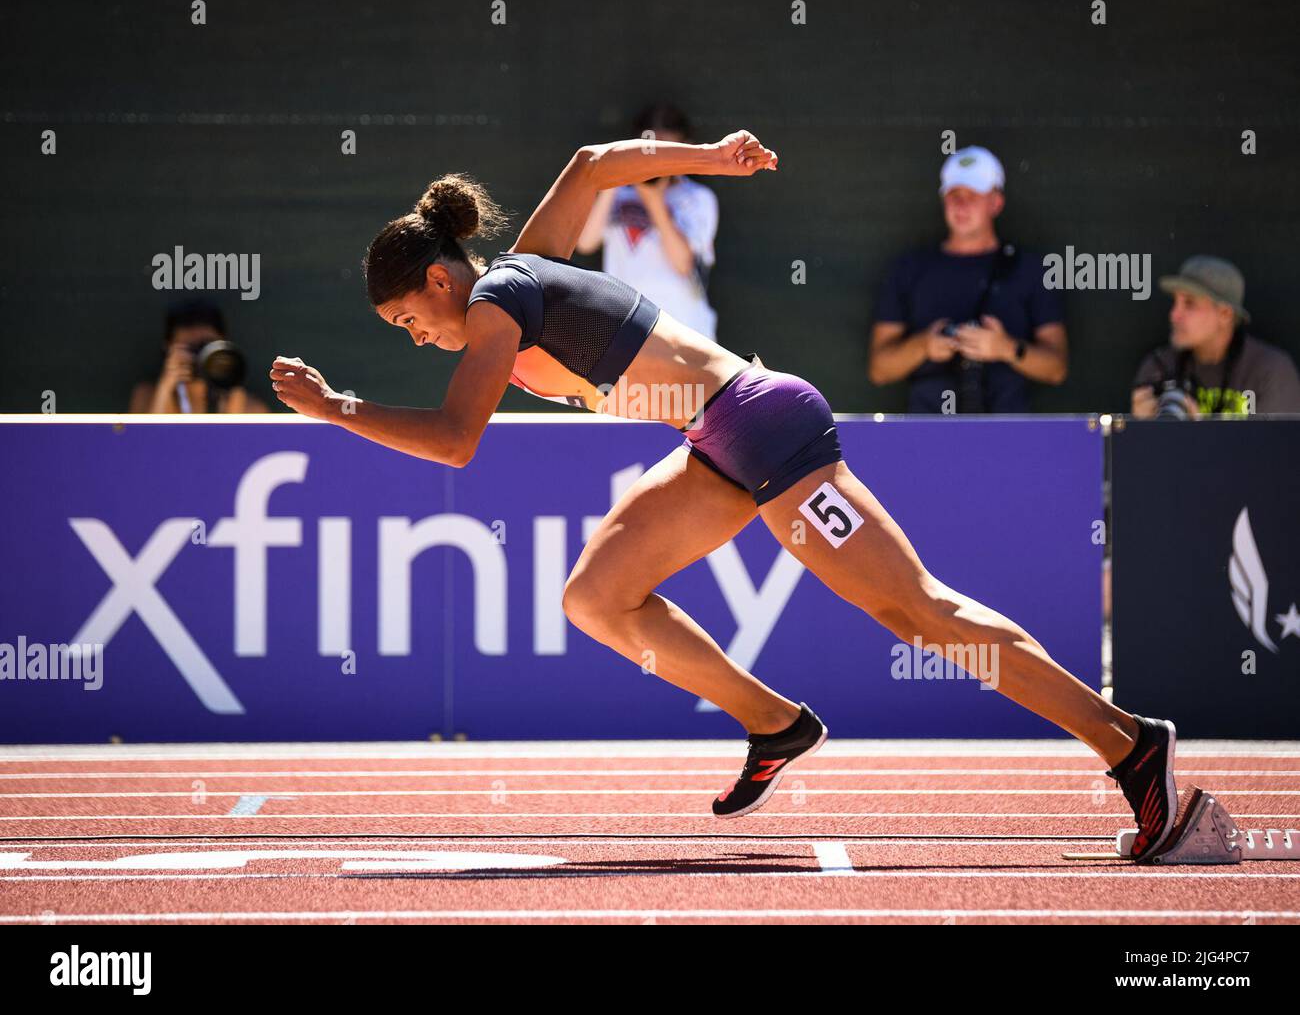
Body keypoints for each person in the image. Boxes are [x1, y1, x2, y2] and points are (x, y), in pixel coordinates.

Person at [270, 130, 1177, 859]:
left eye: (408, 321)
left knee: (919, 613)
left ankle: (1127, 742)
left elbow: (457, 442)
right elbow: (591, 165)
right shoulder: (522, 272)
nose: (418, 337)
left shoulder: (496, 306)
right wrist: (710, 158)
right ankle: (774, 723)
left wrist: (335, 408)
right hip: (712, 443)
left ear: (439, 280)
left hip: (764, 423)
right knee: (595, 597)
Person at [869, 146, 1068, 412]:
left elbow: (1056, 368)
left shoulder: (1029, 269)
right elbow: (879, 369)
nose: (961, 205)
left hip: (1008, 432)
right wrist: (925, 345)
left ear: (996, 202)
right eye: (954, 195)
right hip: (928, 431)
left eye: (972, 195)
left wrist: (1004, 348)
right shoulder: (909, 268)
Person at [575, 103, 720, 339]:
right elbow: (586, 243)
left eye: (669, 153)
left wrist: (654, 200)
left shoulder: (698, 198)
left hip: (685, 329)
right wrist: (615, 178)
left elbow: (683, 264)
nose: (659, 163)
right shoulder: (618, 193)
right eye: (653, 151)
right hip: (627, 328)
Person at [1131, 255, 1300, 418]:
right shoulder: (1160, 368)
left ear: (1225, 314)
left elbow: (1275, 445)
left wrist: (1199, 431)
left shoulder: (1270, 371)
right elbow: (1139, 445)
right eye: (1175, 302)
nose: (1174, 315)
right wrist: (1141, 429)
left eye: (1189, 303)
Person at [130, 299, 267, 414]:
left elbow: (241, 443)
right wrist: (166, 387)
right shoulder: (146, 396)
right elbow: (149, 441)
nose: (200, 356)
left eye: (207, 346)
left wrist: (232, 395)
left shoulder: (253, 409)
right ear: (168, 348)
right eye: (190, 348)